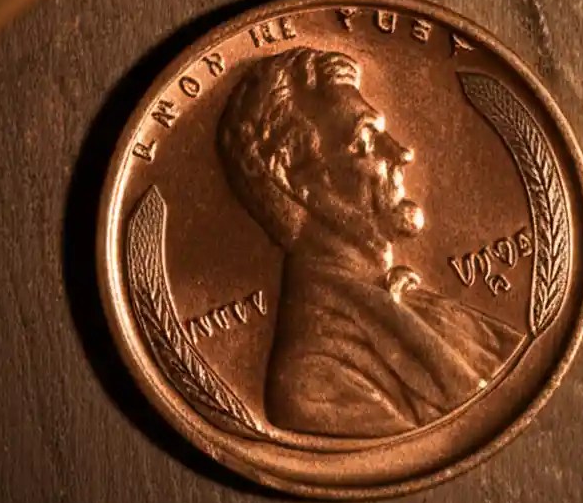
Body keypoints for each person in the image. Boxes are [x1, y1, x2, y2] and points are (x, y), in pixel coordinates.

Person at [218, 47, 521, 438]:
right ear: (294, 183)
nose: (403, 152)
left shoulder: (422, 306)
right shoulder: (312, 385)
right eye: (364, 139)